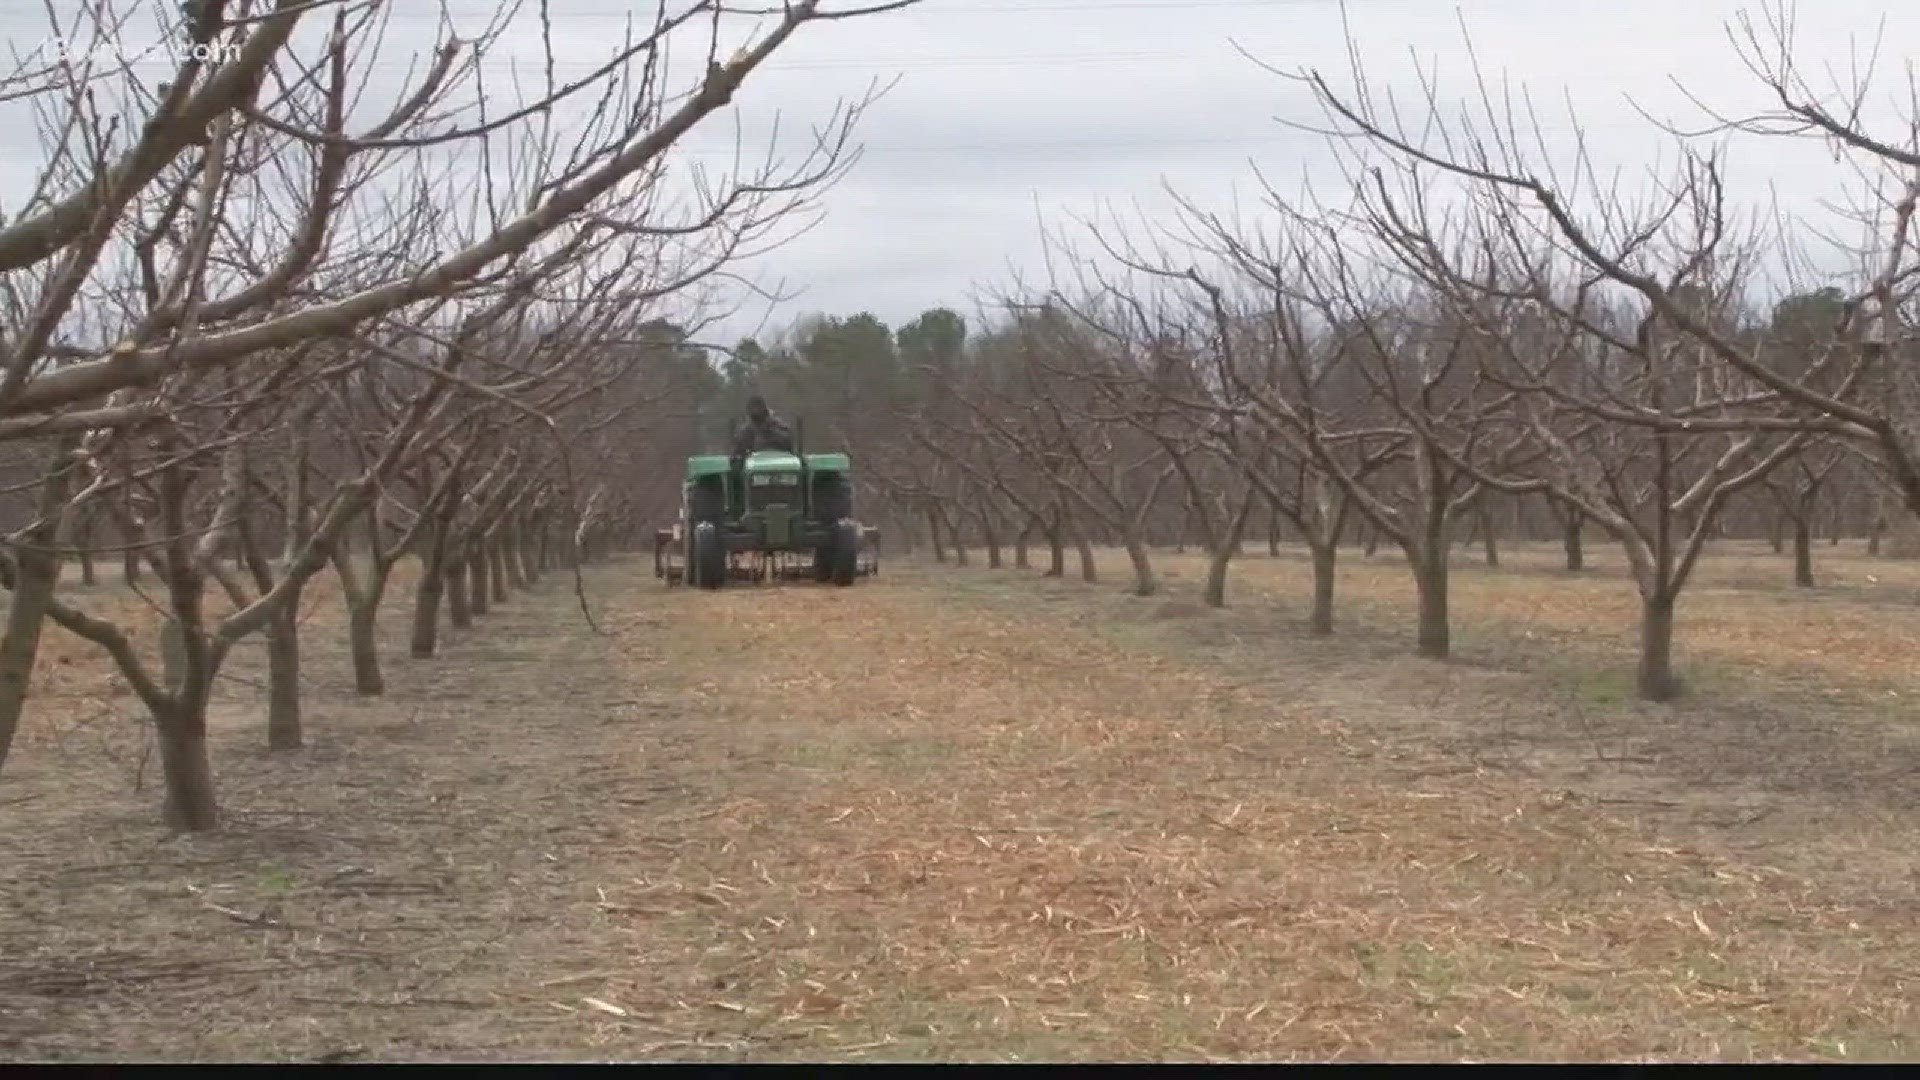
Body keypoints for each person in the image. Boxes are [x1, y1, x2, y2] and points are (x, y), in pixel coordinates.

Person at [731, 394, 794, 460]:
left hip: (779, 460)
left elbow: (788, 442)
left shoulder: (777, 425)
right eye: (753, 408)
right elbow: (738, 452)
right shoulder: (746, 430)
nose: (756, 410)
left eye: (758, 407)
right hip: (755, 463)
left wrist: (771, 431)